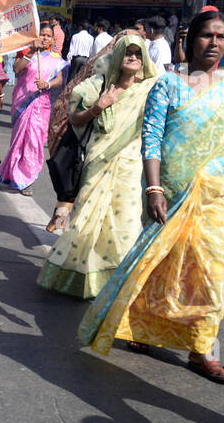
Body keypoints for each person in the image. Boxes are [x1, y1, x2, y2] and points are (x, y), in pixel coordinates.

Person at [79, 8, 224, 383]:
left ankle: (201, 349)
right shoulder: (169, 85)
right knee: (159, 267)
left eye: (221, 37)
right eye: (207, 35)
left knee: (211, 277)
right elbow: (152, 138)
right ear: (191, 40)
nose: (214, 43)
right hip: (172, 193)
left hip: (217, 196)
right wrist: (154, 188)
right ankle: (141, 328)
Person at [38, 37, 161, 297]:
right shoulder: (98, 84)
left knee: (125, 223)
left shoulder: (151, 88)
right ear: (117, 56)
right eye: (127, 53)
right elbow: (74, 118)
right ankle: (78, 278)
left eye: (138, 54)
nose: (133, 58)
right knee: (86, 222)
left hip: (130, 164)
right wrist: (99, 107)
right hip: (97, 159)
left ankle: (118, 282)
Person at [0, 23, 67, 195]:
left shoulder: (55, 58)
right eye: (42, 34)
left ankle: (27, 178)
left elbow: (60, 79)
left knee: (34, 142)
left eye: (48, 36)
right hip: (22, 102)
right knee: (19, 140)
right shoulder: (27, 53)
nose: (45, 38)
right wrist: (32, 52)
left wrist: (48, 83)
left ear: (52, 39)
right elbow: (16, 69)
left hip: (41, 105)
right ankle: (14, 174)